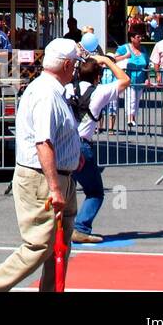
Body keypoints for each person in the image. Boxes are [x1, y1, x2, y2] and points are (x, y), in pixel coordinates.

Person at [0, 38, 81, 293]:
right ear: (66, 64)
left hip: (59, 175)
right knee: (39, 245)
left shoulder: (51, 91)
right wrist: (54, 187)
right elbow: (44, 142)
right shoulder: (46, 94)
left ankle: (51, 290)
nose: (75, 69)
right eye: (74, 64)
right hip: (43, 178)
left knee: (59, 245)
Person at [66, 51, 130, 244]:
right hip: (82, 145)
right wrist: (107, 62)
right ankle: (81, 228)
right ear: (97, 77)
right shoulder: (99, 92)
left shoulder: (69, 88)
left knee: (65, 189)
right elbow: (125, 80)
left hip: (64, 143)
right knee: (94, 191)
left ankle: (59, 228)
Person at [115, 29, 150, 129]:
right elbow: (114, 58)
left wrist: (147, 79)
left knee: (137, 99)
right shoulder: (124, 48)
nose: (140, 39)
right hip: (129, 78)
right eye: (138, 37)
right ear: (132, 38)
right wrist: (126, 56)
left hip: (141, 78)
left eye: (141, 37)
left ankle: (133, 118)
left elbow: (147, 65)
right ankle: (129, 119)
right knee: (131, 98)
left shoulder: (143, 50)